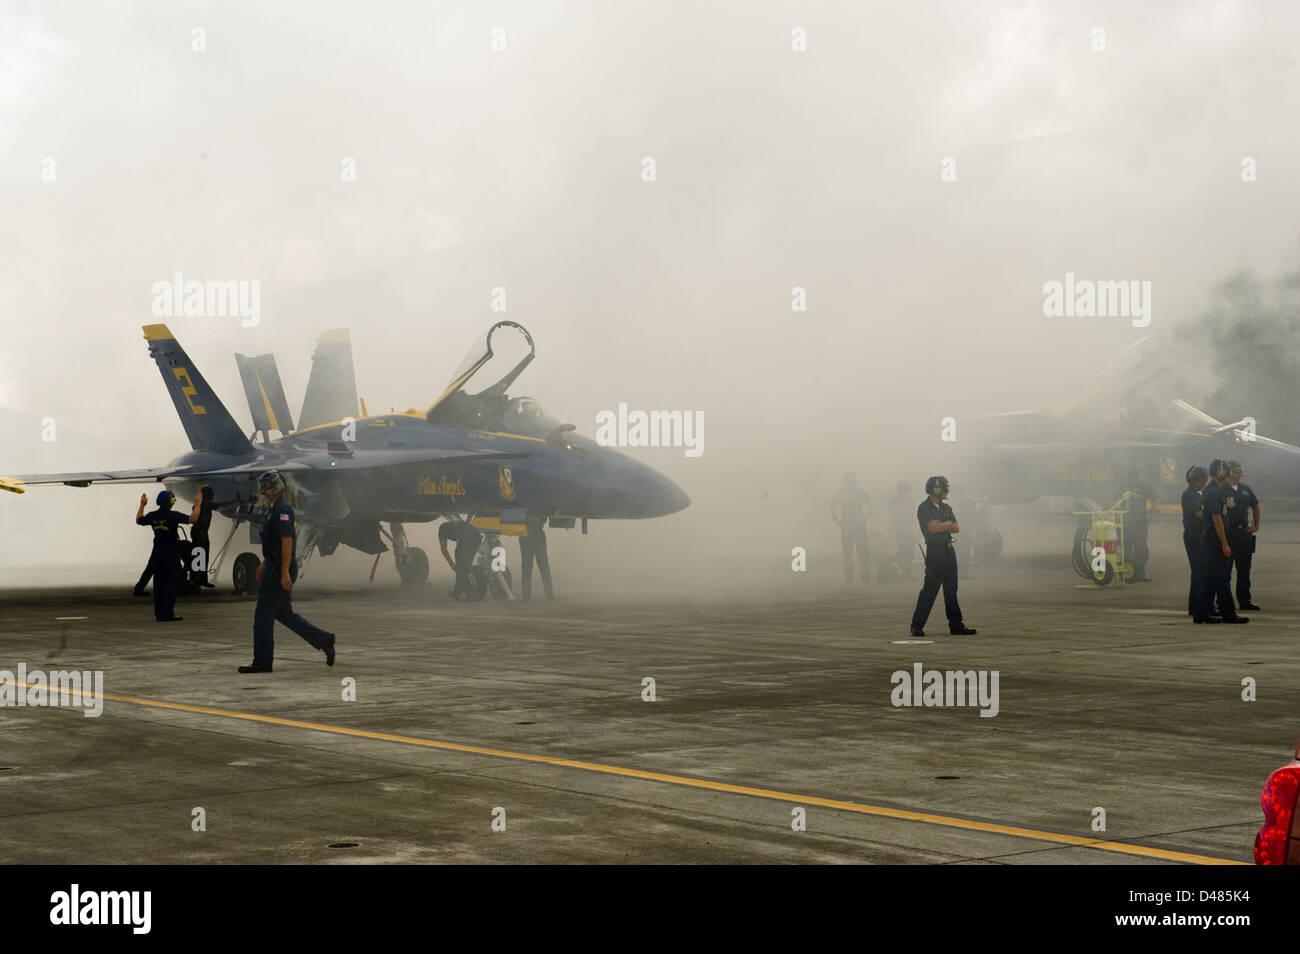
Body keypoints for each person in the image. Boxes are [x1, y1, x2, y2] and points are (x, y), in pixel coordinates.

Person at [239, 470, 336, 673]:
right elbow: (274, 543)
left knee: (262, 617)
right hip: (275, 565)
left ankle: (262, 662)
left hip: (280, 568)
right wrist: (264, 563)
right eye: (263, 486)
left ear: (278, 487)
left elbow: (286, 542)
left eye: (268, 486)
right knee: (284, 613)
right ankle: (324, 639)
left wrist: (283, 572)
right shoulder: (272, 508)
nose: (264, 490)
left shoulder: (282, 509)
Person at [909, 476, 977, 637]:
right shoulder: (924, 508)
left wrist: (943, 525)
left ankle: (956, 625)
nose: (947, 492)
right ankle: (916, 625)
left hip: (948, 550)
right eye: (944, 489)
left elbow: (956, 528)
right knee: (930, 590)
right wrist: (946, 525)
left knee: (951, 589)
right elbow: (933, 527)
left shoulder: (946, 508)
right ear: (936, 490)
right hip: (935, 552)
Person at [135, 489, 200, 622]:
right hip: (171, 554)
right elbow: (193, 519)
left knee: (158, 584)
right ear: (170, 502)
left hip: (157, 553)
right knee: (171, 584)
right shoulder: (173, 516)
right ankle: (168, 614)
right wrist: (198, 504)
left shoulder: (153, 515)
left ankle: (159, 614)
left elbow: (139, 520)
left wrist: (142, 504)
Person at [1198, 459, 1248, 624]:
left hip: (1211, 540)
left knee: (1211, 579)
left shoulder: (1214, 490)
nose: (1229, 475)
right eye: (1226, 472)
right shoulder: (1214, 493)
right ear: (1221, 474)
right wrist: (1225, 544)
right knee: (1222, 578)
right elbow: (1217, 520)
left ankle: (1201, 613)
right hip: (1214, 541)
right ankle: (1228, 613)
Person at [1226, 460, 1261, 611]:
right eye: (1236, 471)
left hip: (1244, 533)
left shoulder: (1245, 489)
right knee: (1225, 570)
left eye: (1240, 472)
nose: (1238, 474)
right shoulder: (1223, 490)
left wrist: (1255, 525)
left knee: (1244, 570)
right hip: (1229, 533)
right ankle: (1222, 601)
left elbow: (1255, 506)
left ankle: (1245, 601)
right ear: (1229, 473)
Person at [1181, 466, 1212, 622]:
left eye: (1203, 480)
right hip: (1194, 535)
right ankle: (1200, 607)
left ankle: (1195, 606)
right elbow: (1199, 514)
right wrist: (1215, 513)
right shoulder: (1189, 495)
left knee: (1199, 572)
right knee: (1200, 572)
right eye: (1199, 480)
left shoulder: (1201, 494)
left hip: (1200, 534)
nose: (1202, 482)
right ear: (1193, 480)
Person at [830, 472, 870, 584]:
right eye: (849, 482)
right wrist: (836, 519)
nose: (851, 484)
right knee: (848, 553)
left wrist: (865, 518)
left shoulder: (859, 493)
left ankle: (865, 577)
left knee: (862, 551)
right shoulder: (842, 494)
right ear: (846, 483)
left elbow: (871, 505)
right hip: (847, 526)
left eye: (852, 482)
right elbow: (831, 506)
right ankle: (850, 579)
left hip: (858, 526)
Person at [1119, 466, 1155, 582]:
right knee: (1126, 548)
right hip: (1125, 521)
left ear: (1136, 475)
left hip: (1140, 522)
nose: (1131, 477)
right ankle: (1126, 573)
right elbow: (1113, 500)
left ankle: (1141, 572)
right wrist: (1116, 517)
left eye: (1133, 475)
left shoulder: (1144, 486)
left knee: (1141, 549)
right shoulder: (1122, 485)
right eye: (1129, 475)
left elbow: (1154, 499)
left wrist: (1149, 514)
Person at [439, 518, 484, 601]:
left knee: (463, 568)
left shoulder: (442, 529)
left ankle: (471, 595)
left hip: (466, 539)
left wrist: (451, 563)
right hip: (477, 536)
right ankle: (457, 592)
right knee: (464, 567)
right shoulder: (454, 525)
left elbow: (443, 548)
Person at [188, 485, 219, 590]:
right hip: (199, 534)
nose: (213, 496)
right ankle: (196, 582)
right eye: (211, 494)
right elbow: (195, 521)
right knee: (198, 557)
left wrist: (236, 500)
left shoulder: (208, 505)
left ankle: (202, 581)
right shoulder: (199, 506)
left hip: (203, 534)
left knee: (203, 557)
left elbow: (219, 505)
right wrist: (202, 534)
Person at [518, 515, 554, 601]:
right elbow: (544, 519)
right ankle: (549, 594)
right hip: (538, 535)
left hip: (525, 535)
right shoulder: (540, 507)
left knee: (526, 567)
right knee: (544, 566)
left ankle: (526, 596)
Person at [887, 481, 914, 580]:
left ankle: (908, 574)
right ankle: (901, 574)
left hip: (909, 529)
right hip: (899, 529)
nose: (905, 491)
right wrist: (891, 530)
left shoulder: (911, 501)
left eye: (906, 489)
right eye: (903, 489)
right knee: (902, 551)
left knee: (910, 552)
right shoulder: (894, 501)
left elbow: (913, 516)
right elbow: (891, 516)